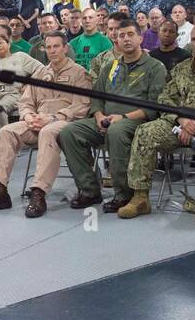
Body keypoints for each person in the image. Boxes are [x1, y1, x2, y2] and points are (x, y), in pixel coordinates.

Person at [119, 22, 195, 224]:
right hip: (181, 123)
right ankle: (140, 196)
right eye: (194, 39)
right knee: (145, 131)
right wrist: (181, 119)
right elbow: (165, 99)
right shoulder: (181, 69)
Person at [57, 19, 167, 211]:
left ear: (140, 38)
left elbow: (154, 106)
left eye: (130, 34)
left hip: (137, 121)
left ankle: (124, 195)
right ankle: (89, 190)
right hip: (105, 120)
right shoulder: (111, 66)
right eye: (121, 35)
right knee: (69, 132)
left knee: (116, 131)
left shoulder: (154, 67)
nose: (125, 39)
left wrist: (123, 118)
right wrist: (99, 115)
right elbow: (97, 97)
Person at [0, 31, 90, 219]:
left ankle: (38, 193)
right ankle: (0, 190)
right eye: (48, 47)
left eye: (56, 46)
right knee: (7, 131)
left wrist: (53, 118)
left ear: (65, 48)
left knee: (47, 132)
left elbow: (82, 105)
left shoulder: (79, 73)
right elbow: (25, 101)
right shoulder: (40, 73)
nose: (52, 51)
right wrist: (27, 115)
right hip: (37, 121)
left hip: (65, 124)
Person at [0, 27, 46, 131]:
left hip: (12, 93)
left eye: (0, 43)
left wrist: (29, 84)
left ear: (9, 43)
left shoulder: (20, 57)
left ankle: (4, 142)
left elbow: (42, 69)